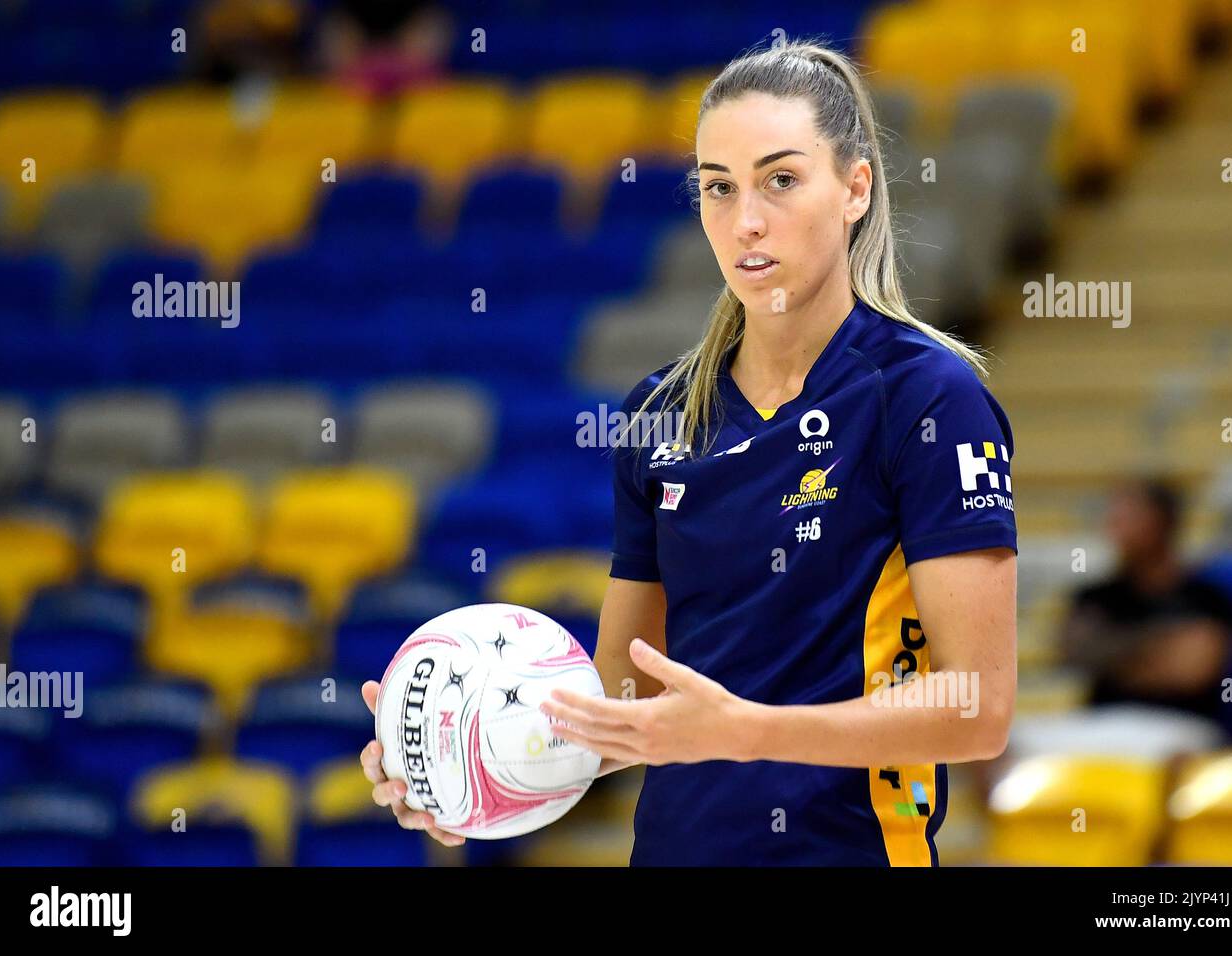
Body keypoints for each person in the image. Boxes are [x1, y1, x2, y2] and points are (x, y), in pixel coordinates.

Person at [359, 39, 1018, 865]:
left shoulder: (927, 397)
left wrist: (745, 732)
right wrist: (467, 767)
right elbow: (623, 707)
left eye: (781, 180)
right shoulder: (662, 414)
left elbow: (979, 709)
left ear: (855, 188)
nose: (745, 220)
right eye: (718, 187)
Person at [1059, 478, 1232, 722]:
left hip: (1181, 727)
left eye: (1129, 516)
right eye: (1114, 516)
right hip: (1101, 722)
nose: (1114, 526)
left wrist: (1114, 650)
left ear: (1164, 522)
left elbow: (1192, 670)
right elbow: (1074, 656)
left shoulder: (1207, 597)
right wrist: (1160, 645)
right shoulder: (1094, 595)